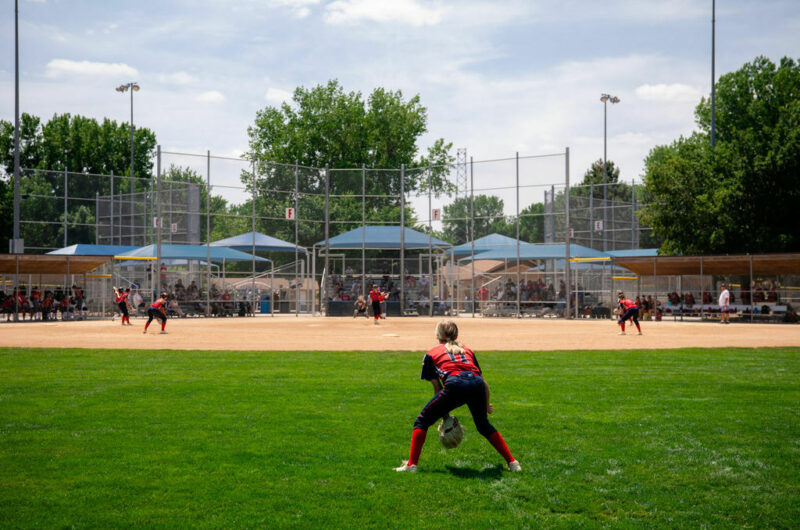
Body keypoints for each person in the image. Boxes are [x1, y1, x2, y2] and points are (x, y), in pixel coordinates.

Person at [395, 319, 521, 473]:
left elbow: (438, 388)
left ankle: (411, 465)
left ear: (437, 335)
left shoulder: (431, 354)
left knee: (421, 421)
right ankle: (513, 463)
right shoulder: (467, 350)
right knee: (483, 425)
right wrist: (486, 404)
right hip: (476, 385)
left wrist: (445, 417)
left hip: (455, 385)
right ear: (456, 334)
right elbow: (483, 382)